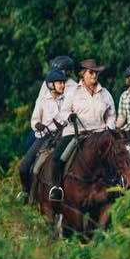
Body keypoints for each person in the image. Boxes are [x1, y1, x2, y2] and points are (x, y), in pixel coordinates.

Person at [48, 58, 117, 202]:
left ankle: (118, 187)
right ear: (83, 74)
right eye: (91, 72)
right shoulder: (73, 92)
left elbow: (111, 114)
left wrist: (109, 129)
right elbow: (63, 111)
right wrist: (70, 116)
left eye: (96, 73)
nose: (94, 76)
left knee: (118, 157)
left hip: (99, 134)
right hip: (76, 133)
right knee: (58, 158)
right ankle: (57, 188)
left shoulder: (105, 94)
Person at [20, 68, 68, 194]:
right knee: (25, 167)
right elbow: (34, 120)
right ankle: (26, 192)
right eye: (60, 83)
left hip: (62, 136)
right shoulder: (42, 101)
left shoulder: (67, 100)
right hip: (44, 137)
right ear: (51, 85)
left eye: (63, 83)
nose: (63, 85)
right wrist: (38, 125)